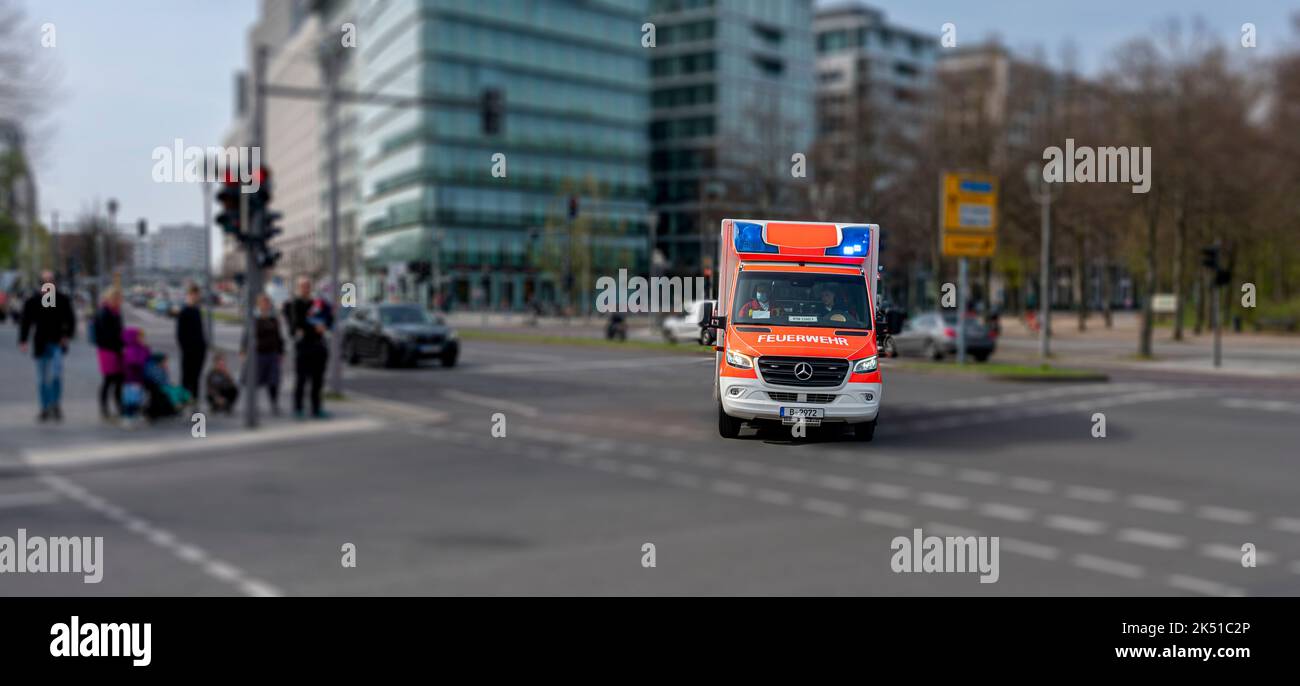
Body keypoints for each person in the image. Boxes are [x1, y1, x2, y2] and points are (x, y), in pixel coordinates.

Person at [18, 270, 76, 422]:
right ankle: (44, 407)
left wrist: (66, 336)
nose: (48, 283)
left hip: (57, 342)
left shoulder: (62, 299)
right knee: (42, 378)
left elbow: (70, 320)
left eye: (50, 280)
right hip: (40, 343)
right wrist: (23, 340)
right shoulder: (33, 300)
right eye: (45, 280)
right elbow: (26, 322)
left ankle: (55, 405)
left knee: (56, 376)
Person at [283, 276, 333, 419]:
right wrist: (311, 328)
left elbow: (328, 318)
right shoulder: (294, 304)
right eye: (303, 286)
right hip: (303, 346)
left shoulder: (317, 302)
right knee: (301, 379)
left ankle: (316, 408)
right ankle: (298, 408)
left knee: (318, 380)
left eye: (308, 285)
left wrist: (324, 326)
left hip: (318, 345)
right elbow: (295, 326)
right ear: (298, 288)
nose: (306, 288)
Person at [242, 293, 285, 415]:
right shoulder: (254, 318)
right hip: (258, 353)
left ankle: (274, 404)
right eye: (263, 302)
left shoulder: (273, 319)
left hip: (272, 353)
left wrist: (281, 352)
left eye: (267, 302)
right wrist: (243, 350)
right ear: (258, 304)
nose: (265, 305)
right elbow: (246, 335)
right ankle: (253, 405)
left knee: (274, 381)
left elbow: (278, 336)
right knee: (255, 380)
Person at [93, 288, 125, 421]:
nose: (119, 302)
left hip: (116, 350)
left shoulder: (116, 312)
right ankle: (104, 409)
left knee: (119, 379)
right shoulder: (103, 312)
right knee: (109, 379)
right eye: (116, 299)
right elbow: (105, 334)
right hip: (107, 351)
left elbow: (120, 331)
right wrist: (118, 344)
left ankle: (119, 406)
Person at [176, 284, 207, 405]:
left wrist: (203, 346)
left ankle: (195, 399)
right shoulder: (184, 312)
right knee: (186, 376)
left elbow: (200, 331)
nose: (195, 297)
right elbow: (180, 334)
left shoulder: (197, 310)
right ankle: (183, 400)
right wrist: (186, 348)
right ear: (188, 295)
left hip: (199, 349)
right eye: (193, 295)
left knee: (196, 376)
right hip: (188, 350)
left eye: (197, 295)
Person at [120, 327, 151, 427]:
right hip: (132, 378)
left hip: (139, 378)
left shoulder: (140, 348)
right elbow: (135, 363)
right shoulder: (131, 349)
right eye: (140, 338)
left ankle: (135, 414)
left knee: (138, 398)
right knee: (131, 399)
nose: (143, 340)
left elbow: (146, 358)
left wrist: (146, 350)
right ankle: (128, 417)